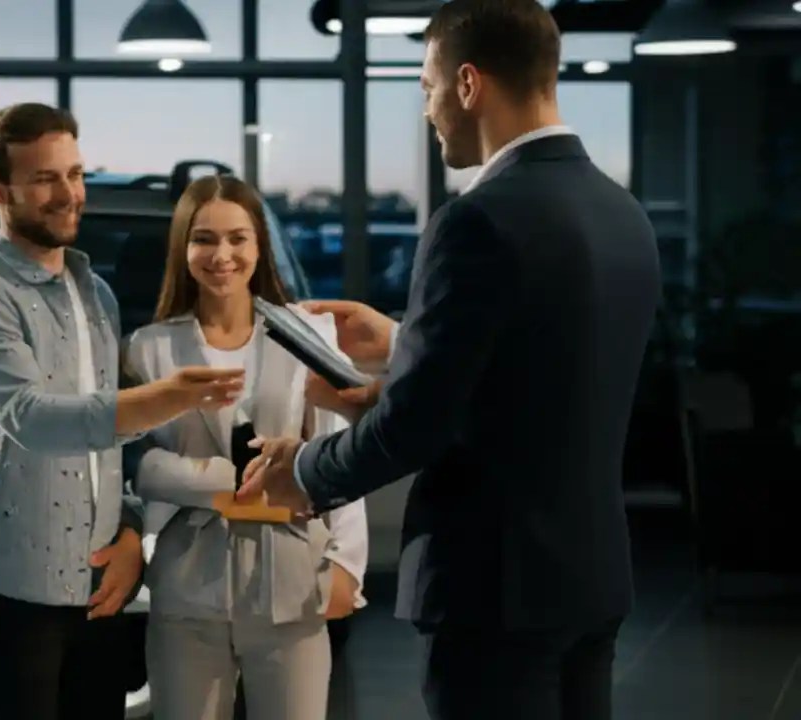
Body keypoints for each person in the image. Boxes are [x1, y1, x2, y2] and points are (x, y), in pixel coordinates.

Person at [238, 1, 663, 719]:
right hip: (590, 579)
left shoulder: (476, 220)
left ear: (468, 84)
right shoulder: (622, 212)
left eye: (427, 86)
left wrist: (300, 472)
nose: (429, 110)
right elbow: (544, 374)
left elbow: (416, 430)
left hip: (493, 587)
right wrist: (406, 342)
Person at [0, 102, 245, 720]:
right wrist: (172, 395)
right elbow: (36, 419)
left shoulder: (93, 292)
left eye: (74, 174)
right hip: (12, 588)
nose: (68, 193)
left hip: (99, 586)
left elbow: (110, 443)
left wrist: (130, 530)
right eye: (45, 178)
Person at [121, 174, 369, 720]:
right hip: (187, 587)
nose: (222, 255)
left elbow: (342, 453)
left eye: (238, 238)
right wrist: (219, 481)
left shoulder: (307, 334)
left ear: (260, 244)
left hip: (293, 580)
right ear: (183, 248)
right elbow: (140, 467)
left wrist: (348, 563)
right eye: (204, 238)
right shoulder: (149, 348)